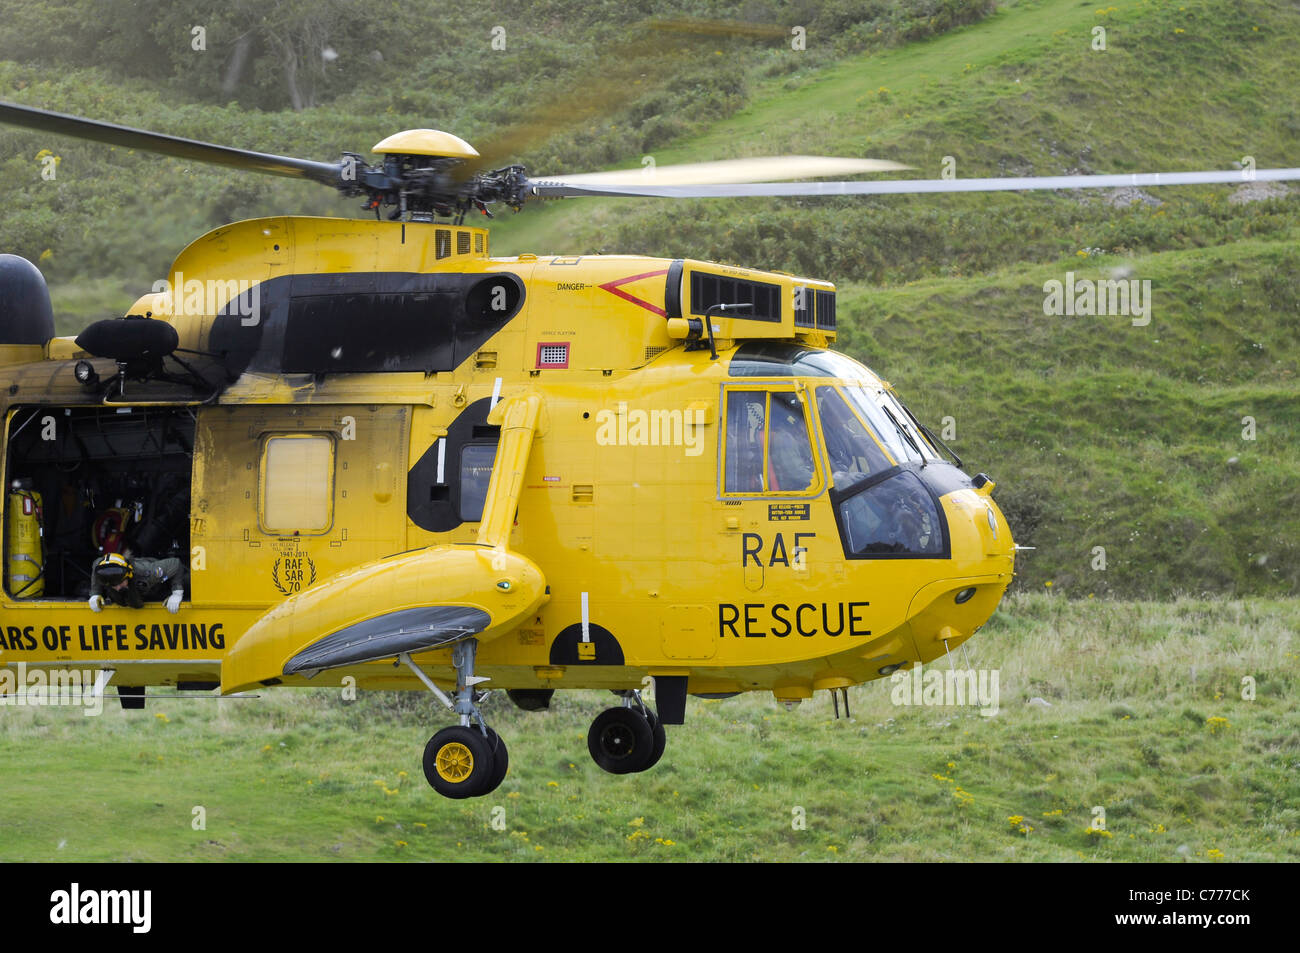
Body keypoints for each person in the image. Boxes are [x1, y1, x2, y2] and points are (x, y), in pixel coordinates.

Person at [88, 552, 184, 613]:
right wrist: (95, 593)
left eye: (120, 583)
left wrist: (177, 592)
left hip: (159, 586)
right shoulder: (102, 569)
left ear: (128, 575)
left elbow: (176, 563)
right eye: (113, 585)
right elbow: (96, 564)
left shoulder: (148, 572)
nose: (117, 588)